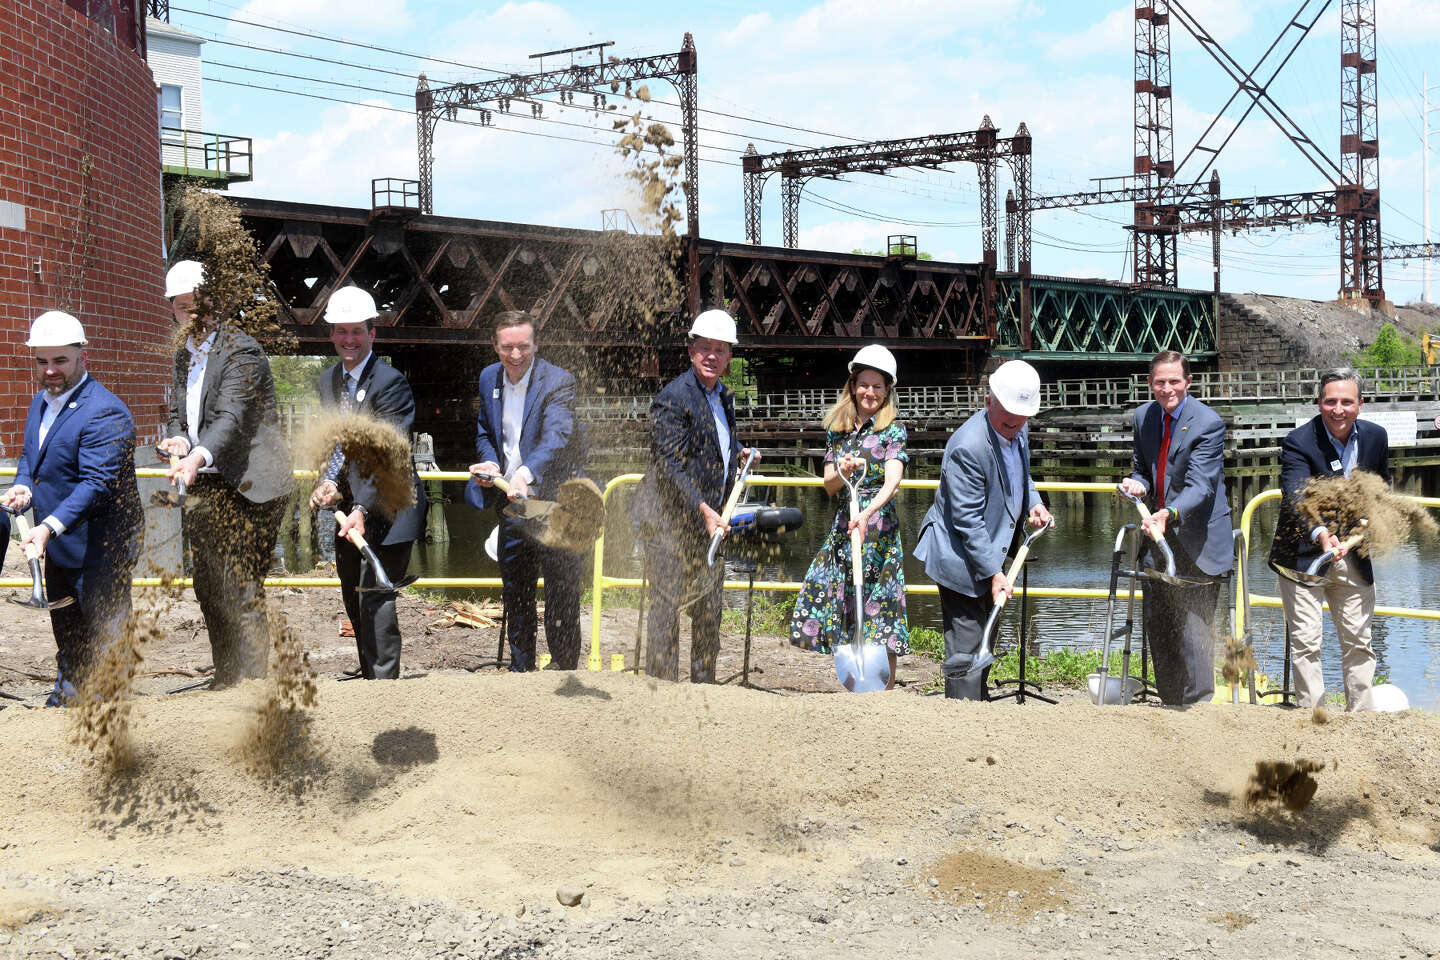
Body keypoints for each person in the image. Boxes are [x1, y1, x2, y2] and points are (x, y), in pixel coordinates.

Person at [158, 259, 293, 688]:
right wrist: (179, 441)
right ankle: (226, 675)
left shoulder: (241, 351)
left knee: (241, 586)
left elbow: (230, 419)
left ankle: (251, 686)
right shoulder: (183, 354)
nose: (190, 315)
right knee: (208, 585)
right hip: (209, 483)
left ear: (213, 301)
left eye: (196, 305)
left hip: (254, 486)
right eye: (180, 307)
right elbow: (180, 415)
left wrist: (195, 458)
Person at [0, 311, 143, 705]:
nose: (49, 370)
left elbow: (97, 485)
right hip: (59, 545)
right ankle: (68, 699)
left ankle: (114, 717)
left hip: (101, 547)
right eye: (42, 361)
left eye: (60, 360)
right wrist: (23, 487)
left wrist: (46, 527)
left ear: (82, 354)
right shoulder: (40, 403)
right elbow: (32, 457)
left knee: (107, 635)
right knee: (68, 630)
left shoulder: (105, 411)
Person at [631, 309, 758, 683]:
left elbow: (713, 444)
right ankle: (663, 686)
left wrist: (739, 452)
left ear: (729, 357)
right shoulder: (673, 398)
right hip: (668, 521)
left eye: (720, 350)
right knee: (667, 607)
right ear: (691, 352)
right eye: (705, 348)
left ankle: (704, 686)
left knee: (708, 609)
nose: (712, 356)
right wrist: (703, 508)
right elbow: (670, 464)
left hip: (707, 523)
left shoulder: (724, 396)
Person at [914, 360, 1052, 701]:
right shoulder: (968, 447)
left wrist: (1033, 502)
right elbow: (967, 522)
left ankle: (977, 703)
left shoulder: (1016, 428)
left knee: (985, 641)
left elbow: (1021, 474)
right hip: (959, 555)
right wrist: (994, 574)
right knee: (967, 645)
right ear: (988, 400)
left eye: (1021, 420)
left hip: (992, 548)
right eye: (1008, 419)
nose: (1015, 426)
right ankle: (962, 712)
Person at [307, 287, 426, 680]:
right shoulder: (328, 382)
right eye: (341, 331)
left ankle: (383, 688)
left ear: (372, 334)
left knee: (376, 599)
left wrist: (360, 507)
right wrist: (328, 482)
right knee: (352, 598)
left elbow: (387, 454)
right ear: (332, 335)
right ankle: (367, 674)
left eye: (357, 331)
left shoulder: (390, 383)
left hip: (390, 508)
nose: (349, 340)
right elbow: (336, 443)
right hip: (351, 510)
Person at [466, 311, 585, 671]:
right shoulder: (489, 378)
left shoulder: (559, 381)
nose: (515, 356)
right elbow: (486, 432)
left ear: (536, 344)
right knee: (516, 593)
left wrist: (525, 473)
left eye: (523, 347)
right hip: (512, 504)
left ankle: (563, 673)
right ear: (495, 345)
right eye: (507, 348)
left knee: (561, 595)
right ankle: (522, 672)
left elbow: (556, 437)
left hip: (555, 503)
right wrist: (490, 464)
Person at [1268, 369, 1390, 711]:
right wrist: (1322, 534)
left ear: (1360, 405)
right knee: (1306, 642)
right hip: (1304, 555)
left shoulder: (1376, 438)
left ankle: (1361, 719)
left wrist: (1362, 530)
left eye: (1347, 402)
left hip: (1354, 555)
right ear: (1319, 403)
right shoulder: (1298, 441)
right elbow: (1296, 496)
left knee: (1359, 641)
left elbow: (1381, 489)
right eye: (1330, 401)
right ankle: (1314, 717)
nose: (1339, 409)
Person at [790, 345, 909, 685]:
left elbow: (893, 481)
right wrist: (840, 469)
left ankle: (882, 685)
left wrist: (869, 512)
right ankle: (854, 680)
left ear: (887, 392)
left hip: (879, 531)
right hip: (846, 527)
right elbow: (828, 486)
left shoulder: (893, 432)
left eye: (878, 386)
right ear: (853, 386)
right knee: (835, 594)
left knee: (882, 606)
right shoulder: (838, 432)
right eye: (864, 385)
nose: (870, 392)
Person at [1118, 349, 1232, 706]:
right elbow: (1143, 468)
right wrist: (1138, 485)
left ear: (1188, 382)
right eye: (1160, 382)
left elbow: (1201, 486)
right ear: (1150, 383)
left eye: (1174, 381)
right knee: (1160, 627)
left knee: (1195, 633)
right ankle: (1170, 705)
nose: (1167, 389)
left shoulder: (1208, 423)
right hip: (1157, 537)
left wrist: (1168, 512)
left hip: (1197, 541)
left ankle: (1198, 709)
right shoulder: (1143, 417)